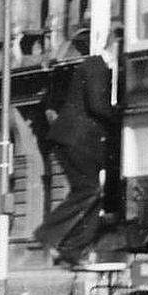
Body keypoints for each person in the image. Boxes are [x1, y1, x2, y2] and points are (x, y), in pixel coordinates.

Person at [34, 30, 120, 267]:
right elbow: (97, 105)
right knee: (89, 190)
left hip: (81, 141)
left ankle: (72, 249)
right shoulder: (94, 65)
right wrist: (121, 116)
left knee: (94, 194)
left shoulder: (101, 68)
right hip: (74, 139)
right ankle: (48, 234)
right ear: (117, 45)